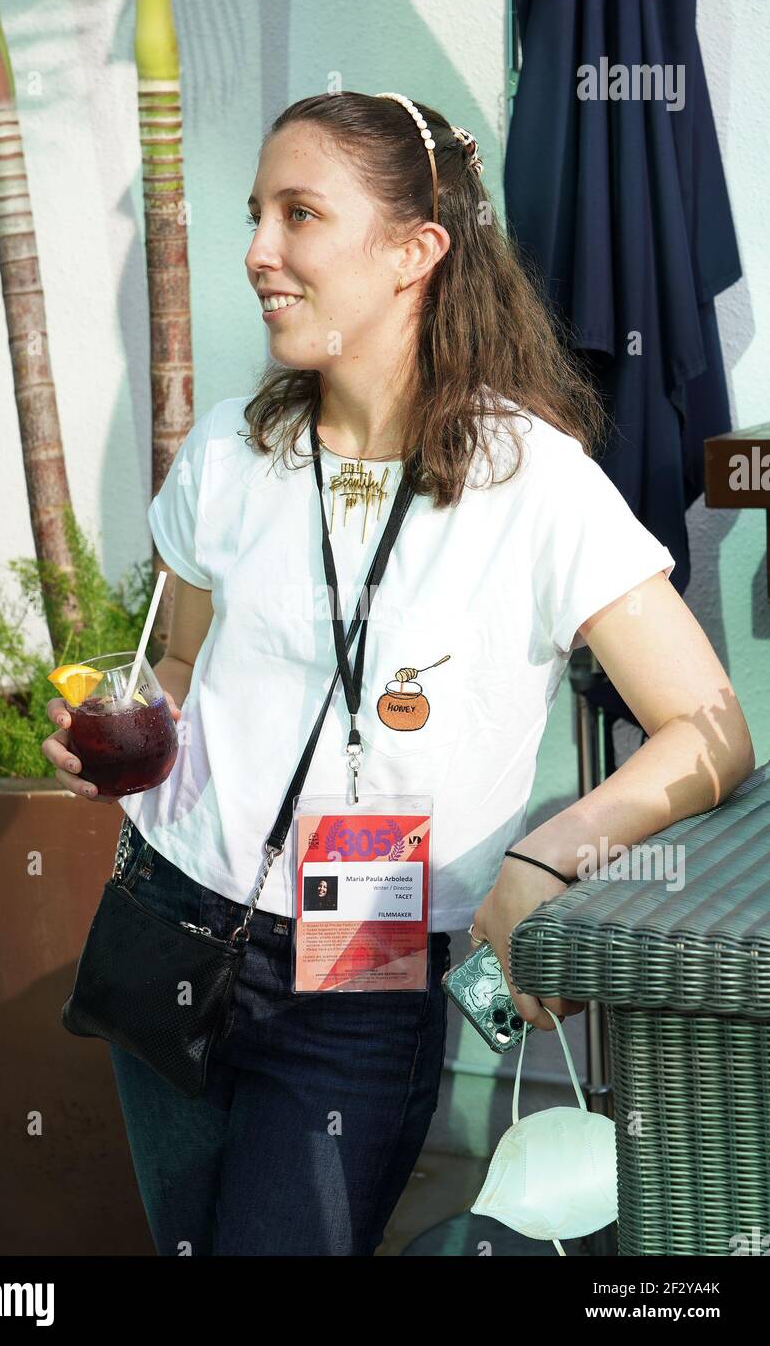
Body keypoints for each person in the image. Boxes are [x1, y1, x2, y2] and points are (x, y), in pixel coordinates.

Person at [41, 91, 755, 1257]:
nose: (256, 250)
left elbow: (711, 727)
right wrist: (119, 734)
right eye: (257, 214)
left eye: (300, 214)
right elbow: (175, 669)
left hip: (361, 949)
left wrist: (547, 856)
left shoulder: (536, 484)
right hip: (171, 911)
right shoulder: (229, 449)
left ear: (416, 253)